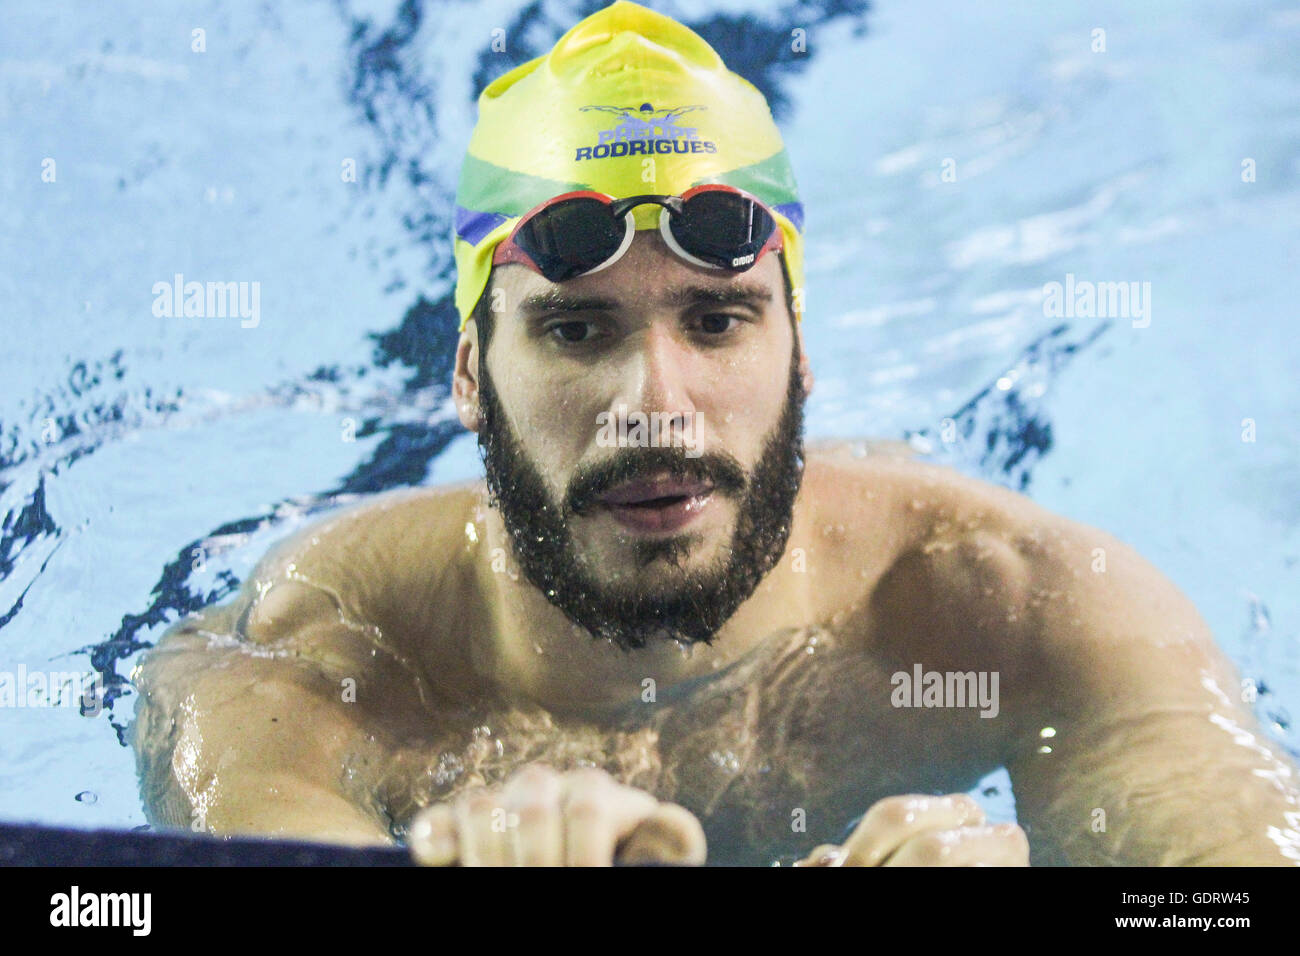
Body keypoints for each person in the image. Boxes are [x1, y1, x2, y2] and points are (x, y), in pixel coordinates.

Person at [131, 0, 1300, 866]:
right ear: (471, 376)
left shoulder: (1023, 607)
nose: (656, 402)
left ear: (803, 352)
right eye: (578, 329)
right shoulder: (291, 674)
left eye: (718, 318)